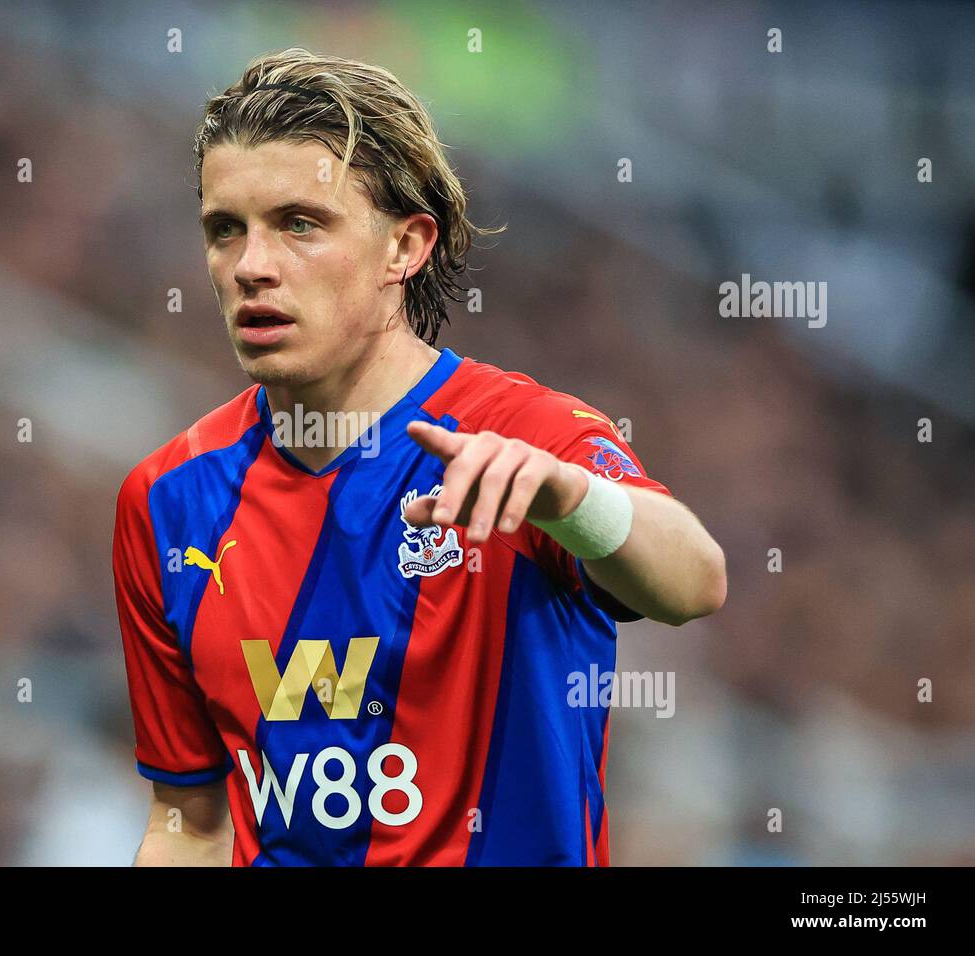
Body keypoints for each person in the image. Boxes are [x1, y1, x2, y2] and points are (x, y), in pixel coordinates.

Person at [112, 48, 726, 866]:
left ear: (405, 246)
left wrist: (571, 500)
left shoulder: (519, 438)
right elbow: (187, 819)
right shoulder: (165, 501)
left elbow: (695, 581)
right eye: (226, 230)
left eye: (300, 223)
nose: (252, 265)